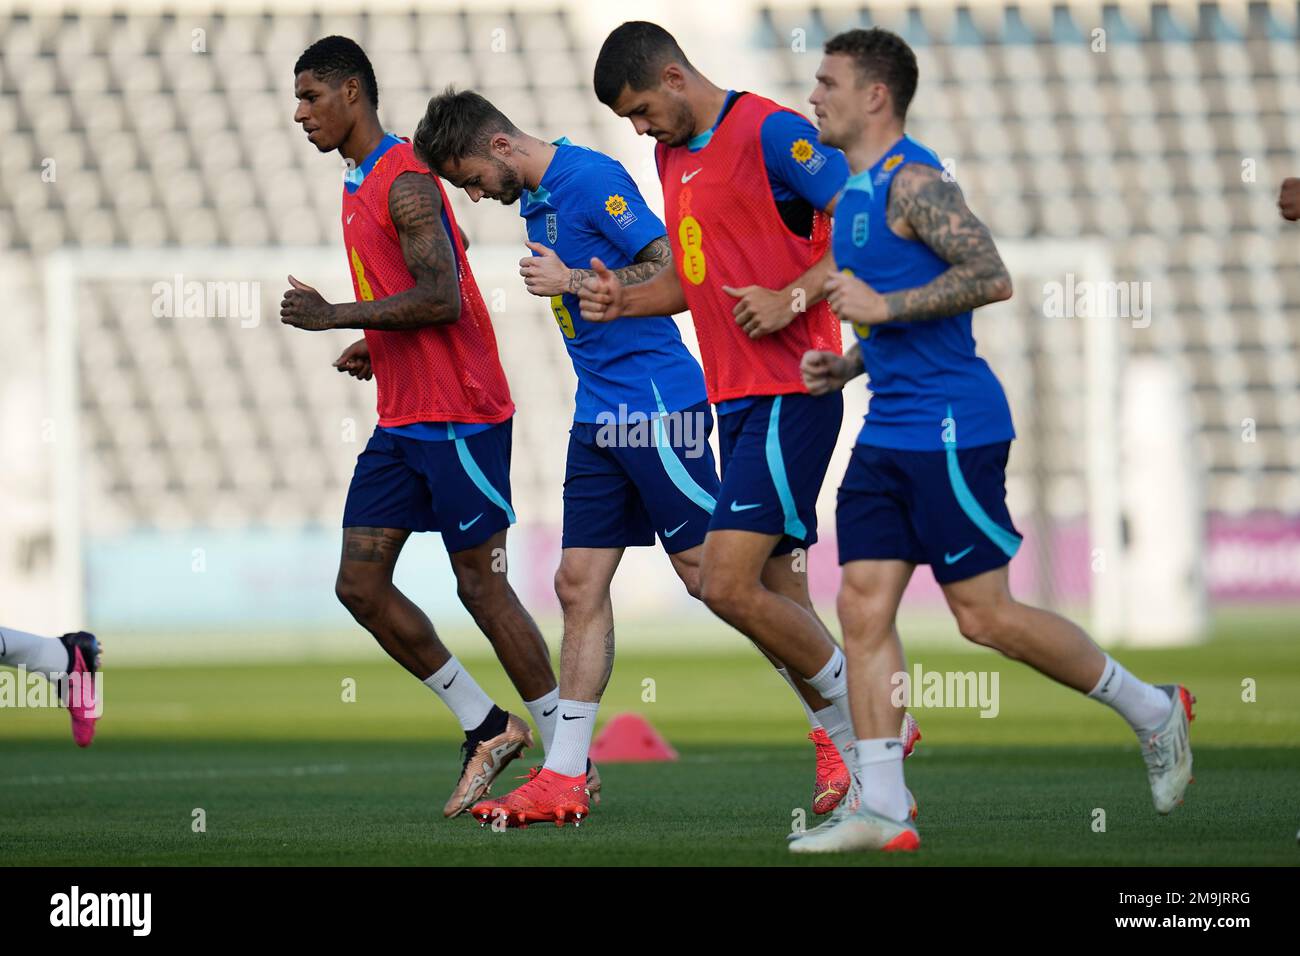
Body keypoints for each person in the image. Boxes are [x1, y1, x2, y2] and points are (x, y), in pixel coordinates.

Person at [791, 28, 1194, 854]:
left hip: (951, 429)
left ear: (875, 96)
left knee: (984, 619)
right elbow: (897, 308)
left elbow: (991, 276)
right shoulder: (858, 195)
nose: (814, 95)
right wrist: (852, 364)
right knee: (860, 605)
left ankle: (1154, 708)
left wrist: (882, 312)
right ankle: (886, 808)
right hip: (887, 431)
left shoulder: (917, 183)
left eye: (828, 82)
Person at [413, 87, 860, 826]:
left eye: (468, 179)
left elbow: (672, 269)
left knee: (713, 578)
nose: (473, 195)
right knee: (576, 581)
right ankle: (564, 774)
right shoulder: (535, 201)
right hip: (600, 414)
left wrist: (576, 282)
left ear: (499, 148)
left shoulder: (592, 180)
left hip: (658, 407)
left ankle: (837, 725)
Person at [284, 36, 558, 819]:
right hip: (404, 419)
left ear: (352, 95)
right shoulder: (362, 178)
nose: (299, 113)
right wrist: (379, 338)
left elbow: (442, 292)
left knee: (482, 586)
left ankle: (568, 757)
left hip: (461, 415)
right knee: (359, 584)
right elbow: (451, 254)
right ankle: (486, 725)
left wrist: (338, 314)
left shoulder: (403, 179)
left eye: (311, 97)